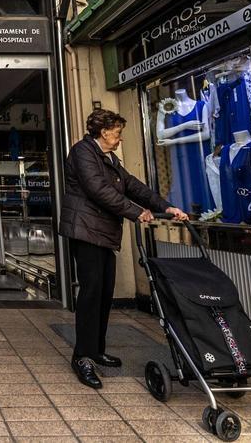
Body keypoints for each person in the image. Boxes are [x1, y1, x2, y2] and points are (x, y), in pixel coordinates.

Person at [59, 108, 188, 388]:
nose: (119, 139)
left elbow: (133, 185)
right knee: (91, 293)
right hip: (86, 231)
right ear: (104, 132)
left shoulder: (109, 158)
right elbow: (97, 190)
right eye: (117, 133)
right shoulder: (83, 152)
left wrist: (164, 205)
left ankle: (96, 349)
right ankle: (82, 357)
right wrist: (135, 212)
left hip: (103, 233)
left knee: (105, 293)